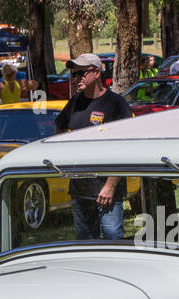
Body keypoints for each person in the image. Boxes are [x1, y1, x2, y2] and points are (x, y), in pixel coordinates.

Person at [54, 54, 133, 241]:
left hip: (107, 191)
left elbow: (125, 148)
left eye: (81, 73)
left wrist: (110, 185)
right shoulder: (74, 102)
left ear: (97, 72)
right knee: (85, 244)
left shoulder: (116, 103)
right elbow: (59, 126)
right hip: (80, 190)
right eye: (73, 75)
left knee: (112, 238)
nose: (76, 79)